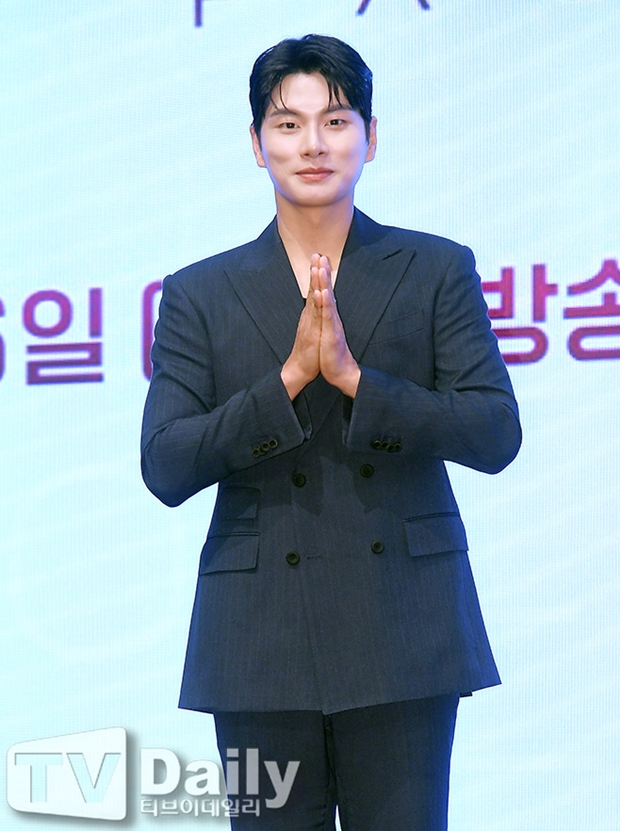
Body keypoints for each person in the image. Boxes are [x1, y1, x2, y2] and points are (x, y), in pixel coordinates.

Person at [141, 34, 521, 831]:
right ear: (257, 144)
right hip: (258, 640)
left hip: (403, 626)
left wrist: (355, 381)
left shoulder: (434, 269)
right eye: (288, 124)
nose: (313, 144)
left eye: (336, 121)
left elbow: (493, 432)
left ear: (370, 137)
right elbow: (165, 463)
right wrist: (286, 381)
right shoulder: (199, 292)